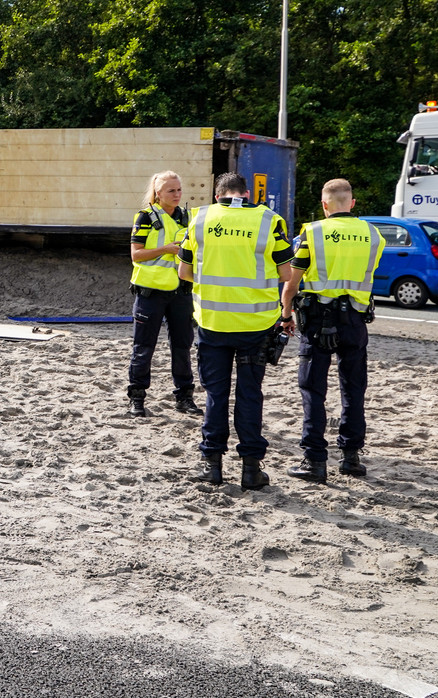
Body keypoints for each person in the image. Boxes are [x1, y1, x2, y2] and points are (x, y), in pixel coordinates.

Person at [177, 173, 294, 490]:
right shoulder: (269, 220)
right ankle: (251, 470)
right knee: (250, 395)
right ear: (247, 193)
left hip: (213, 324)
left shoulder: (200, 218)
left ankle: (212, 466)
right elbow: (286, 271)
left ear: (218, 196)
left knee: (216, 395)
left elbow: (184, 271)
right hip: (255, 326)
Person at [279, 178, 385, 483]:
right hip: (355, 320)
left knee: (313, 388)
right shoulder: (373, 235)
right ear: (352, 204)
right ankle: (351, 457)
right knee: (354, 387)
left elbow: (293, 282)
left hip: (317, 320)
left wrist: (286, 315)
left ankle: (314, 460)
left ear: (324, 205)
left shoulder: (312, 232)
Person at [126, 171, 200, 417]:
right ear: (158, 193)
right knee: (143, 347)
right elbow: (136, 254)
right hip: (151, 293)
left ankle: (184, 397)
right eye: (171, 190)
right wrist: (165, 249)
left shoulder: (187, 217)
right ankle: (137, 398)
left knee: (182, 346)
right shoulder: (145, 217)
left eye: (179, 189)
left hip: (181, 292)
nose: (177, 195)